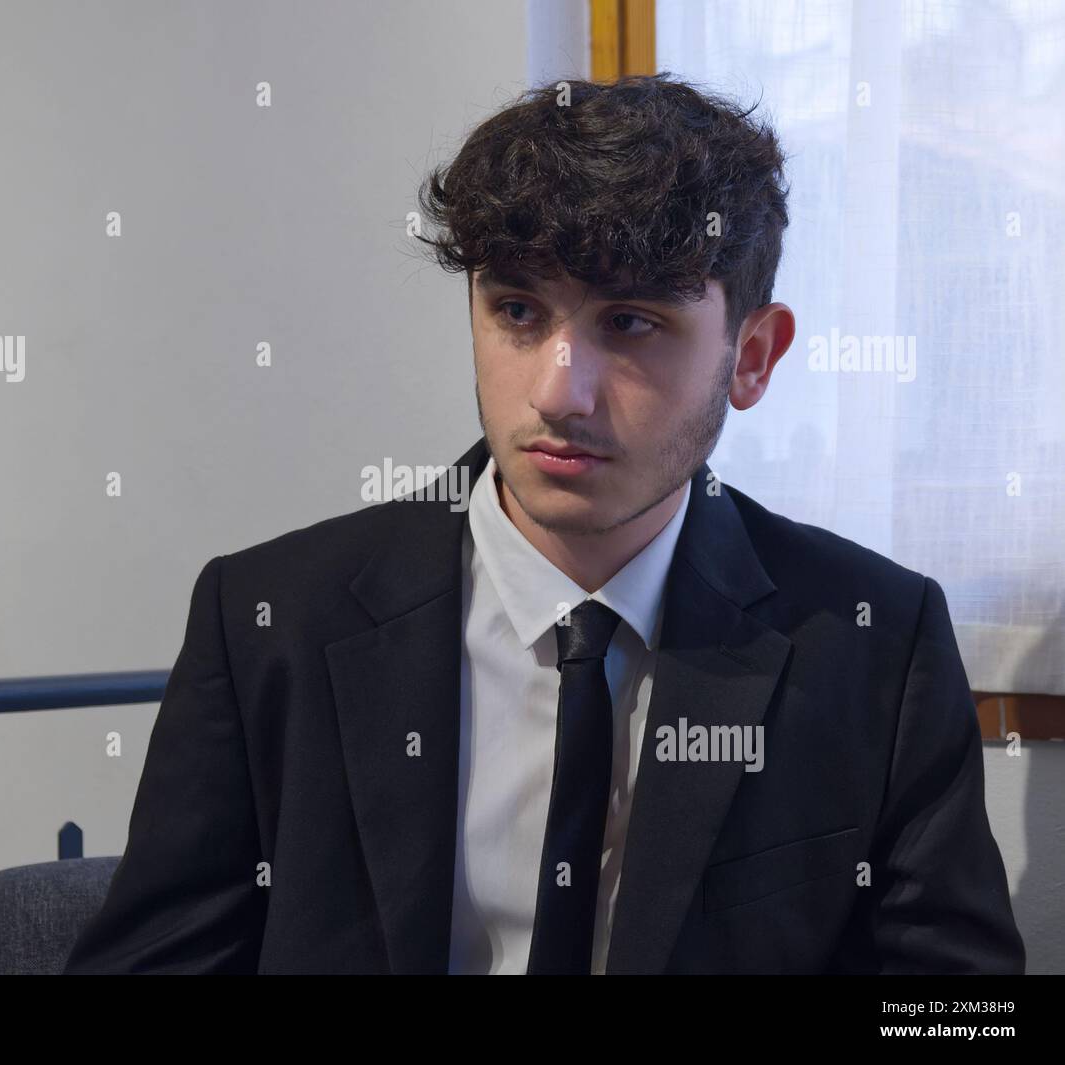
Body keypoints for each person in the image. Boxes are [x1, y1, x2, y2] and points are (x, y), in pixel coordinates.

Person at [62, 74, 1024, 974]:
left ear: (753, 356)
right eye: (517, 310)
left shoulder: (873, 646)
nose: (560, 390)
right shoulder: (271, 619)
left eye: (632, 323)